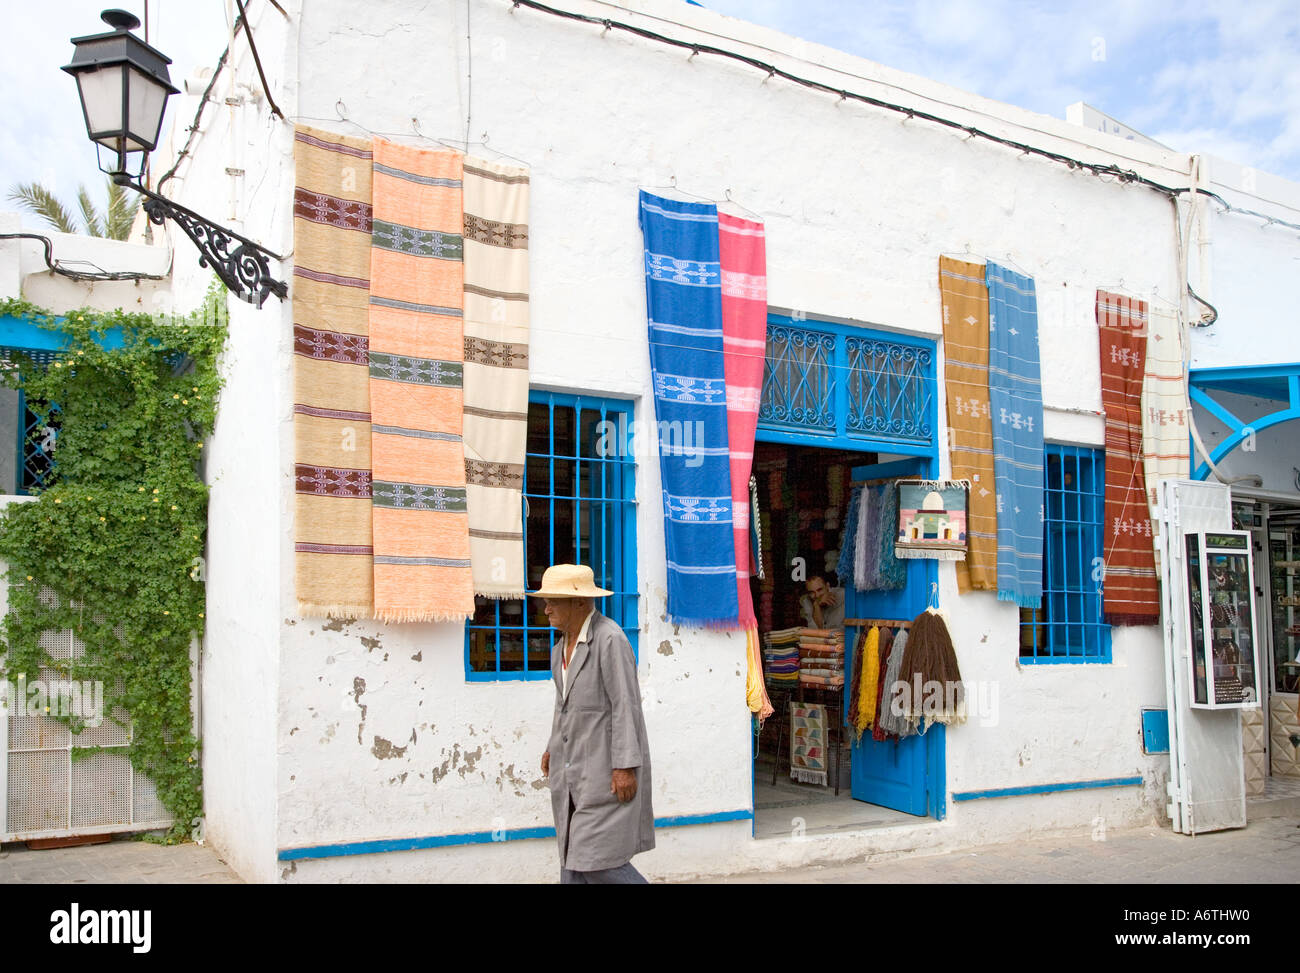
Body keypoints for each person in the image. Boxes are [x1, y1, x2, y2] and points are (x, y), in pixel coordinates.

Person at [534, 563, 655, 884]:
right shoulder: (560, 648)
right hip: (572, 769)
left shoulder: (609, 639)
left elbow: (625, 705)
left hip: (606, 772)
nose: (545, 609)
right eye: (545, 601)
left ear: (580, 602)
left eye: (553, 601)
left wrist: (625, 765)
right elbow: (563, 706)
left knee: (598, 861)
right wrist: (551, 747)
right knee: (572, 858)